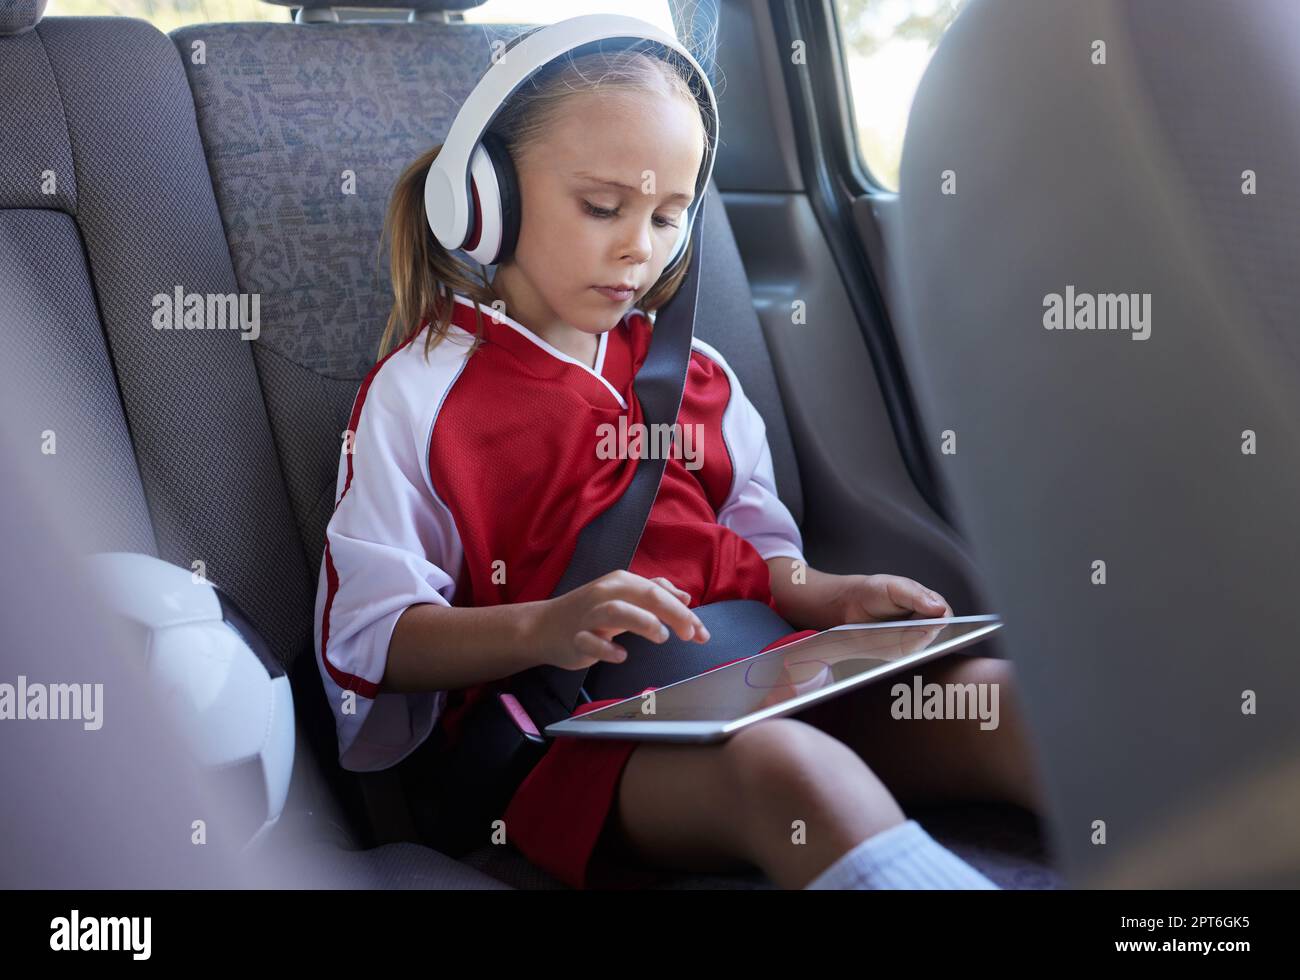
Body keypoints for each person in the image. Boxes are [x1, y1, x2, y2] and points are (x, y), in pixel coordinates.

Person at [315, 33, 1045, 891]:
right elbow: (369, 636)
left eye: (667, 216)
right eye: (602, 207)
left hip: (768, 673)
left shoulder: (697, 375)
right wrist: (545, 626)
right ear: (488, 199)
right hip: (579, 733)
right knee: (787, 773)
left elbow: (755, 544)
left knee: (1013, 702)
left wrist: (828, 595)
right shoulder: (422, 395)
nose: (640, 249)